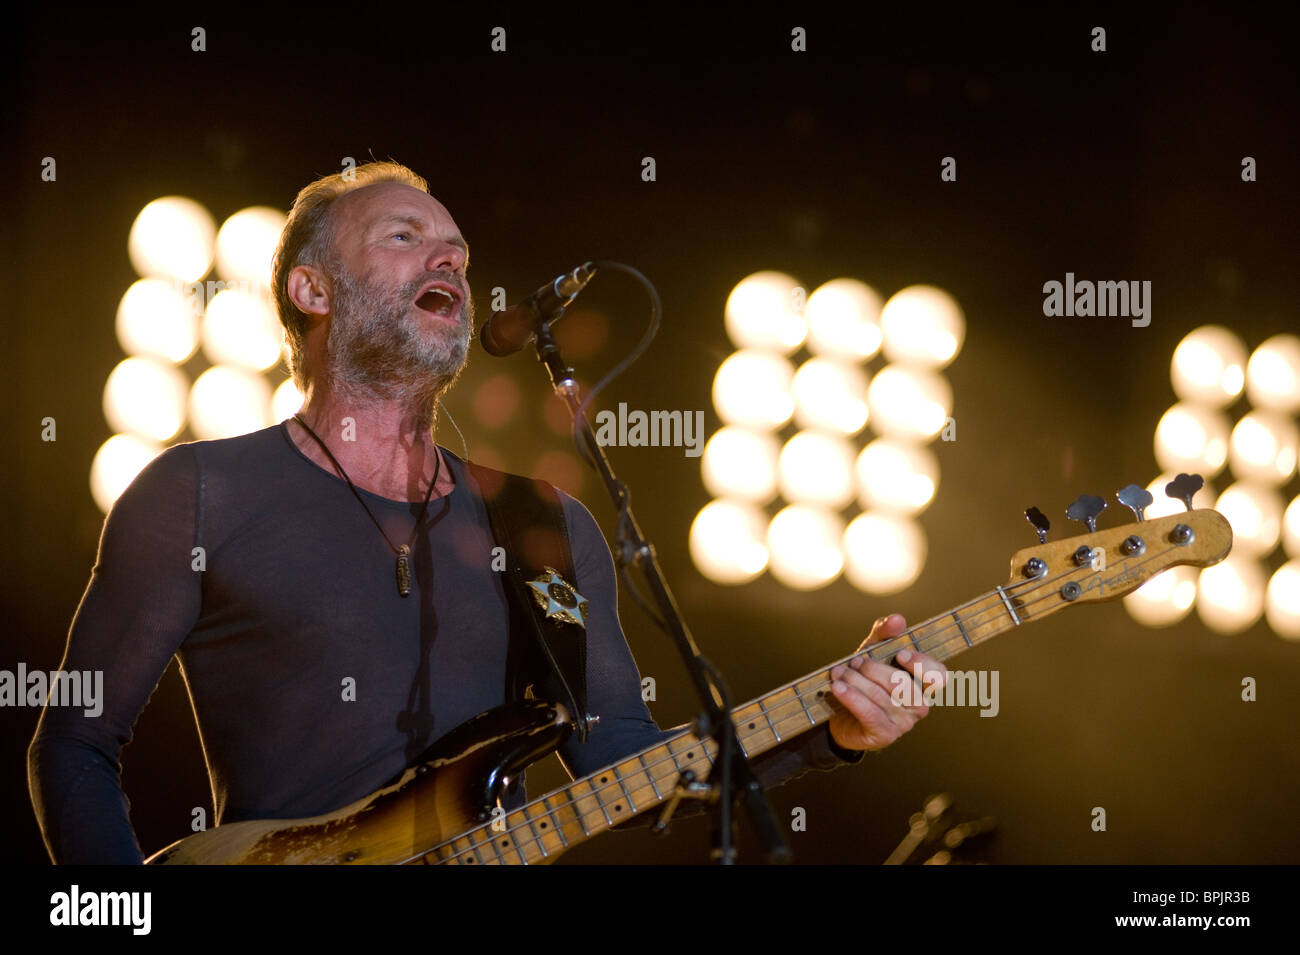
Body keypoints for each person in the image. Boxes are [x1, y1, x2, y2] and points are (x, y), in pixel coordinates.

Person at [27, 161, 947, 864]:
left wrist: (832, 730)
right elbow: (73, 742)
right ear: (313, 290)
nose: (450, 261)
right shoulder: (198, 492)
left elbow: (623, 759)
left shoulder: (544, 524)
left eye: (458, 253)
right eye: (403, 238)